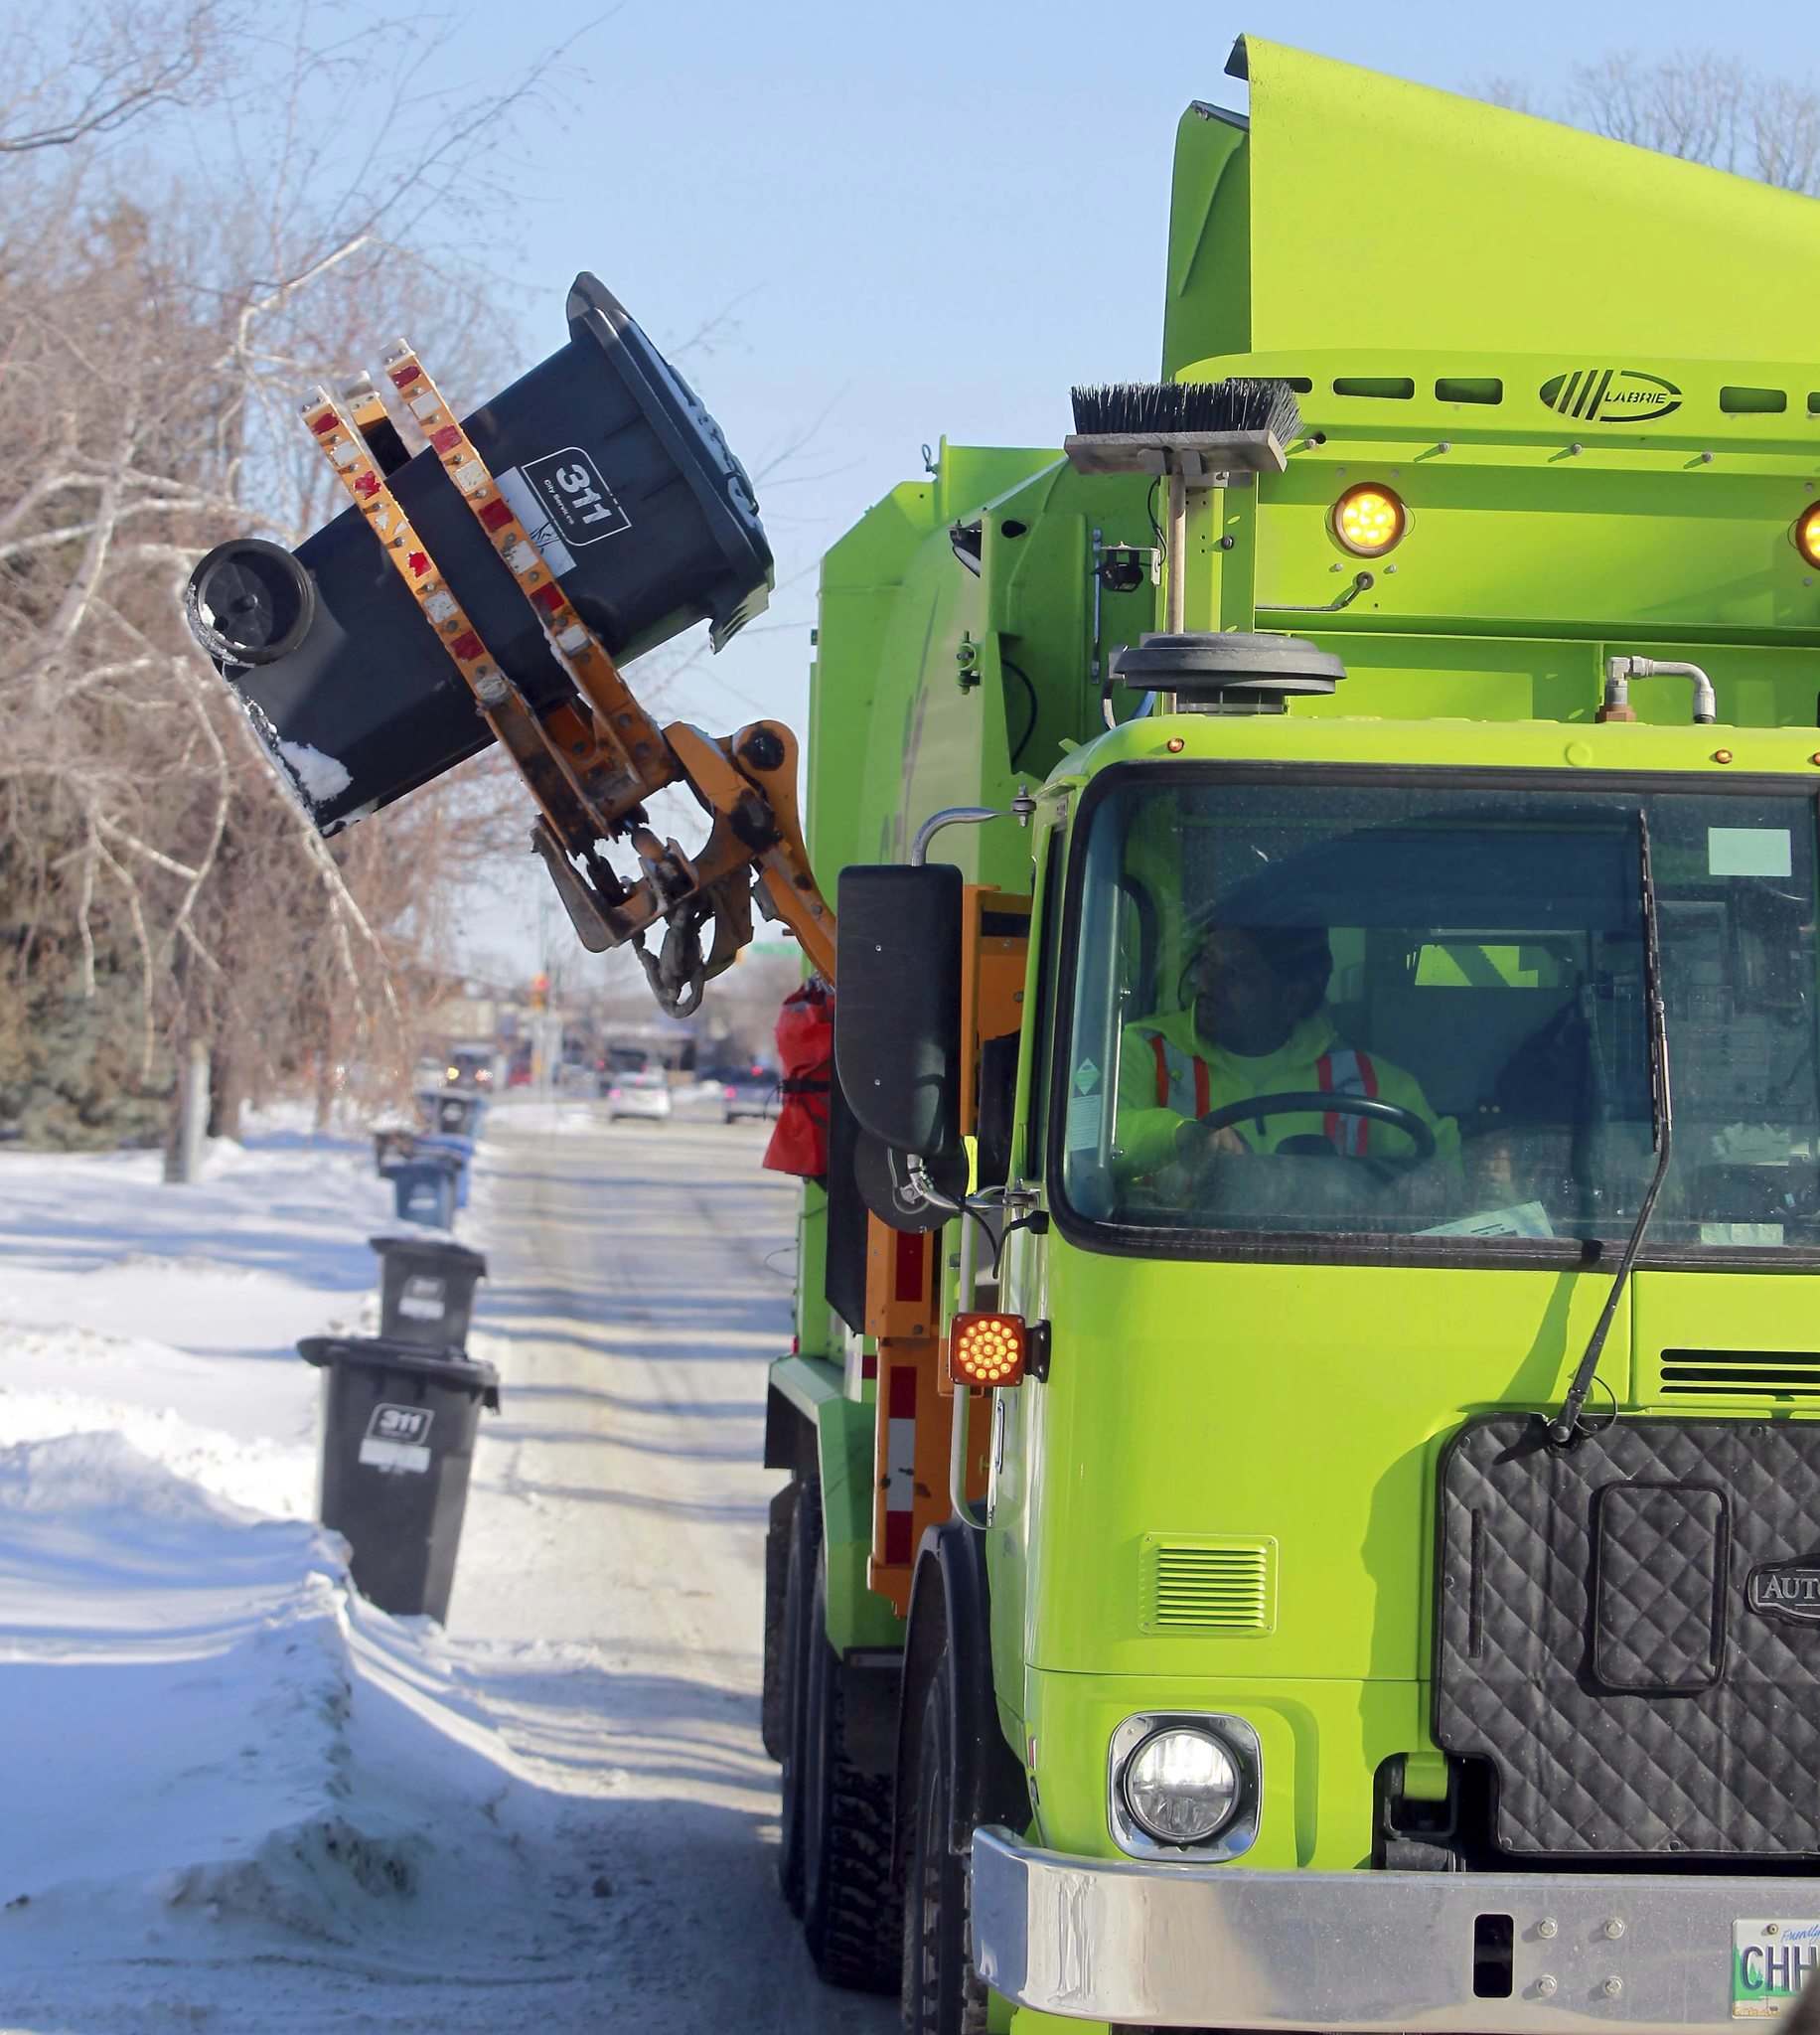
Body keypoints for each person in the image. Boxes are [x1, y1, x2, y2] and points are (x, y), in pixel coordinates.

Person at [1113, 921, 1457, 1185]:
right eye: (1207, 964)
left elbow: (1445, 1166)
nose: (1205, 984)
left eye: (1234, 974)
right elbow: (1096, 1138)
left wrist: (1428, 1186)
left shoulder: (1369, 1079)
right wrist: (1181, 1135)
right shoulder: (1146, 1049)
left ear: (1292, 996)